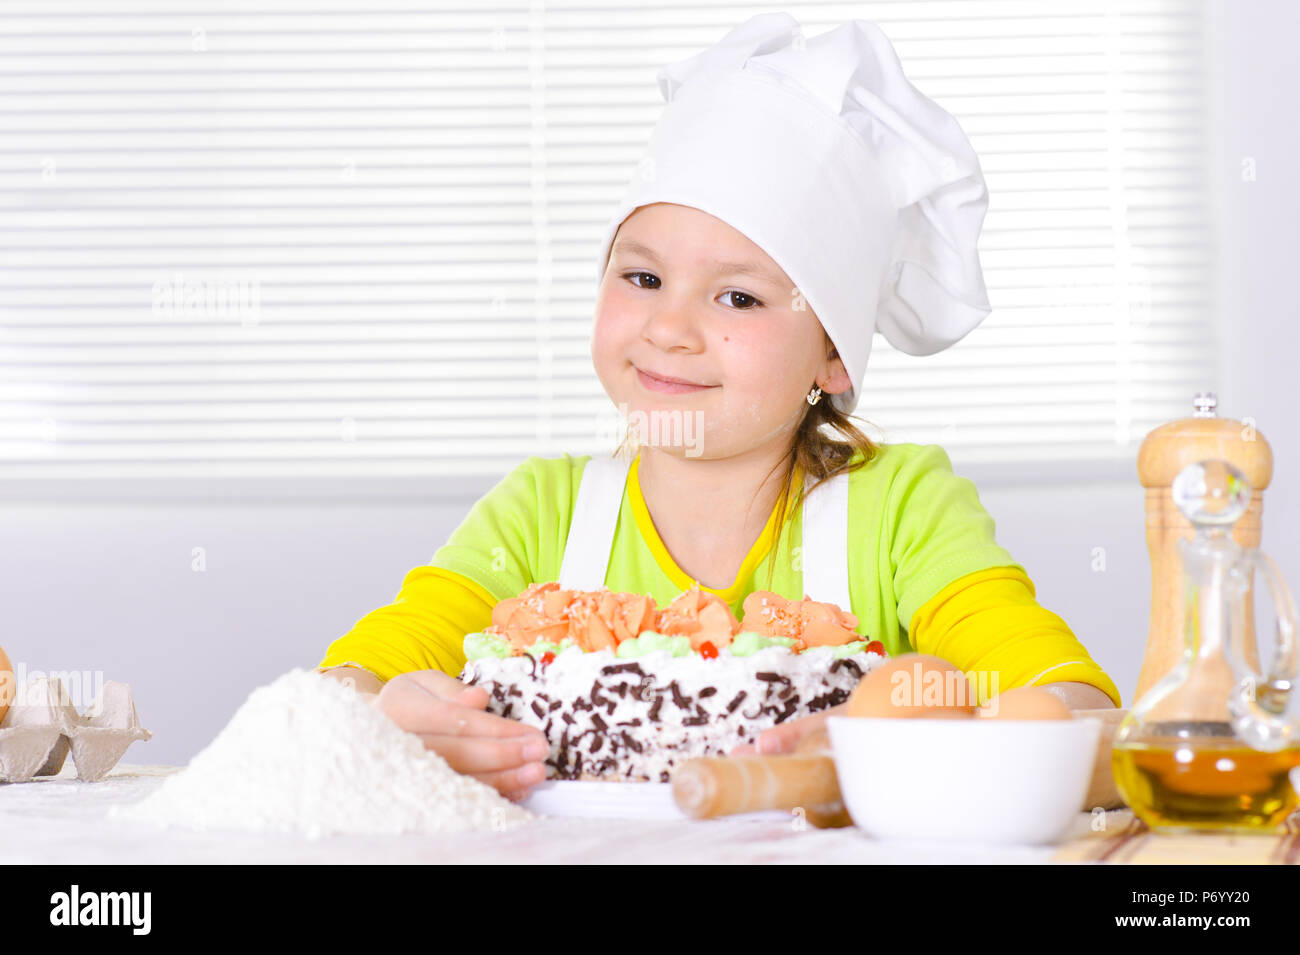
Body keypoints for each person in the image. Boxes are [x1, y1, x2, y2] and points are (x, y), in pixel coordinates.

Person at [317, 13, 1120, 802]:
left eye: (737, 296)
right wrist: (389, 723)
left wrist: (905, 753)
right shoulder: (539, 515)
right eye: (641, 278)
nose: (670, 328)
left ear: (833, 356)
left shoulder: (901, 511)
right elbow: (332, 698)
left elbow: (1089, 721)